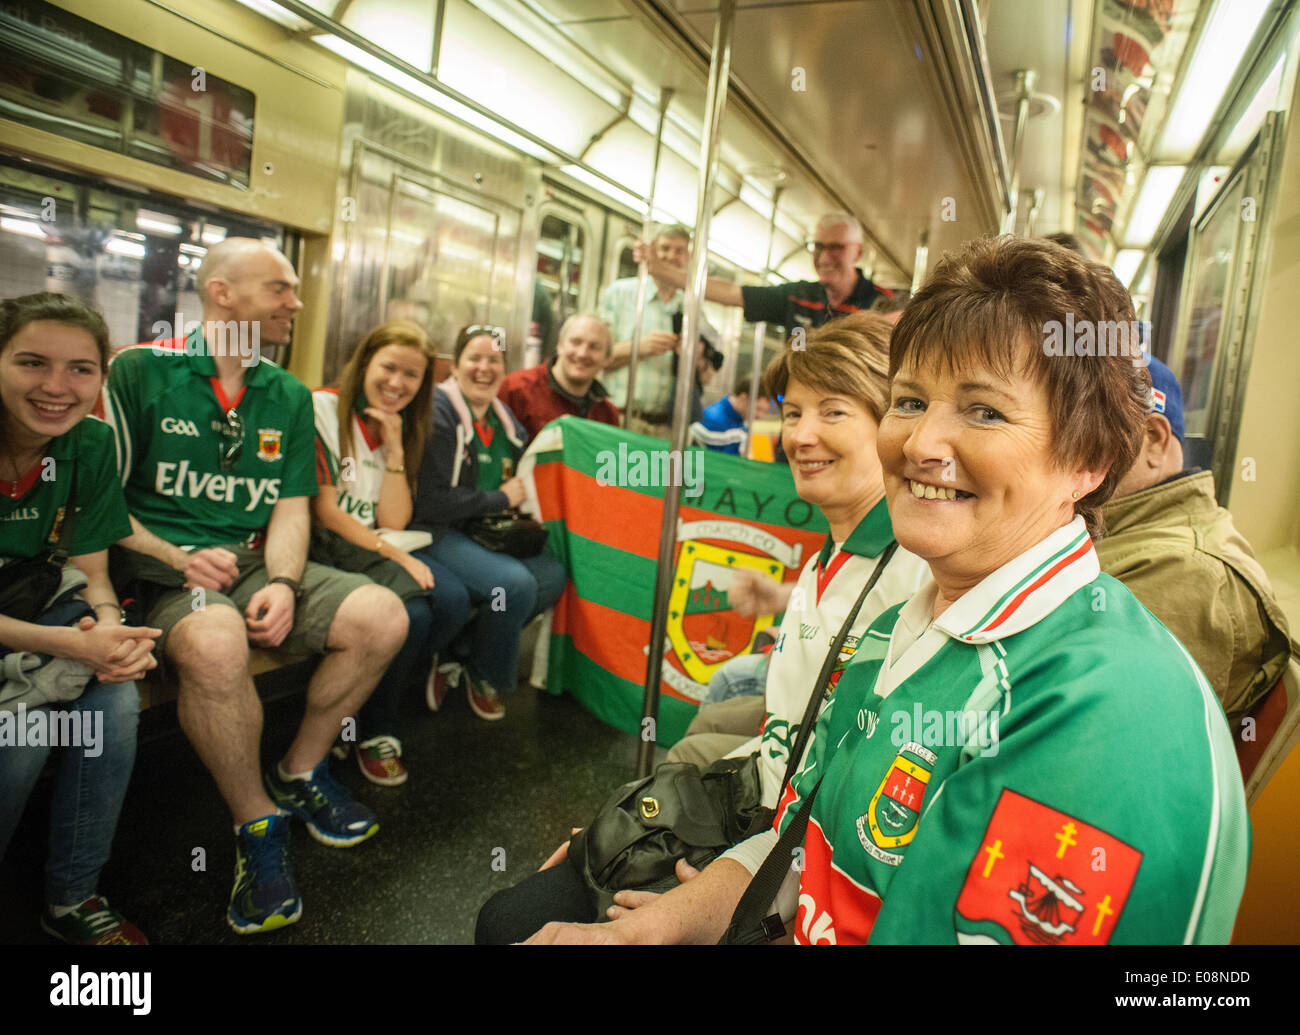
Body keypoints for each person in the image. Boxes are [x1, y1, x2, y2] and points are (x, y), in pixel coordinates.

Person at [527, 235, 1249, 945]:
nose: (920, 443)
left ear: (1088, 458)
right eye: (909, 401)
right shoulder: (894, 631)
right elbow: (800, 843)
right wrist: (658, 927)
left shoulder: (1105, 716)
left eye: (984, 410)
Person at [476, 311, 929, 943]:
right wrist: (630, 821)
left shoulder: (915, 575)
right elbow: (788, 740)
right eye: (792, 413)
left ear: (891, 428)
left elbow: (852, 792)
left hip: (788, 848)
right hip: (759, 795)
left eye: (833, 412)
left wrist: (730, 886)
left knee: (509, 925)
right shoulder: (833, 556)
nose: (801, 435)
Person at [101, 239, 408, 935]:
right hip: (168, 570)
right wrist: (176, 556)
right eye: (279, 289)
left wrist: (285, 581)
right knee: (213, 642)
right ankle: (255, 823)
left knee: (383, 615)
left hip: (255, 561)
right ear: (221, 294)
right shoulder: (141, 372)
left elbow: (291, 507)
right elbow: (101, 500)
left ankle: (298, 770)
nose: (296, 304)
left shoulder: (289, 393)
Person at [0, 293, 161, 944]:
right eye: (32, 362)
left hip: (36, 604)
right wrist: (69, 642)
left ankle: (72, 893)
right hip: (30, 625)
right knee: (22, 736)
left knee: (117, 691)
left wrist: (104, 627)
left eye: (81, 369)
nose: (56, 388)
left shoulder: (89, 443)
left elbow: (92, 570)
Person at [310, 320, 472, 785]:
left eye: (412, 375)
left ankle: (365, 705)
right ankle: (370, 728)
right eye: (388, 368)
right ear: (365, 362)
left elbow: (395, 518)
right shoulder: (324, 408)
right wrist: (398, 557)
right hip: (328, 548)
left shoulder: (403, 427)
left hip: (369, 545)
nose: (397, 383)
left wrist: (397, 448)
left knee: (450, 601)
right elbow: (326, 512)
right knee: (415, 614)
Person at [1098, 356, 1292, 726]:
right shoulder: (1121, 532)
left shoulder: (1186, 573)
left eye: (1082, 433)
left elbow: (1103, 736)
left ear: (1153, 440)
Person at [411, 324, 567, 721]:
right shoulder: (439, 412)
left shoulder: (507, 423)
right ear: (456, 365)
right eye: (474, 358)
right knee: (512, 585)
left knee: (550, 576)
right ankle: (486, 673)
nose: (484, 368)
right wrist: (500, 498)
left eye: (493, 360)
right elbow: (431, 502)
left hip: (481, 532)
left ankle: (462, 653)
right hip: (437, 530)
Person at [638, 212, 892, 336]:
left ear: (857, 253)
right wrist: (661, 270)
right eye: (818, 246)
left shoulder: (884, 304)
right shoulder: (798, 296)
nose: (824, 256)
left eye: (836, 247)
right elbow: (728, 293)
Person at [598, 225, 722, 438]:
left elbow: (708, 376)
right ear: (653, 251)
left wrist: (696, 359)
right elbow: (596, 358)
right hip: (621, 419)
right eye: (665, 248)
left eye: (679, 251)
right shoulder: (620, 294)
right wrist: (640, 348)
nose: (671, 256)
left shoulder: (692, 308)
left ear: (687, 257)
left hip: (668, 429)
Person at [498, 312, 620, 439]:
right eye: (576, 342)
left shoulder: (608, 416)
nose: (582, 353)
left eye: (594, 347)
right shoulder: (515, 390)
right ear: (560, 345)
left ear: (607, 359)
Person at [689, 372, 770, 454]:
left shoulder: (739, 419)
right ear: (743, 398)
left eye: (764, 411)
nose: (760, 416)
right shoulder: (714, 421)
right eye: (758, 409)